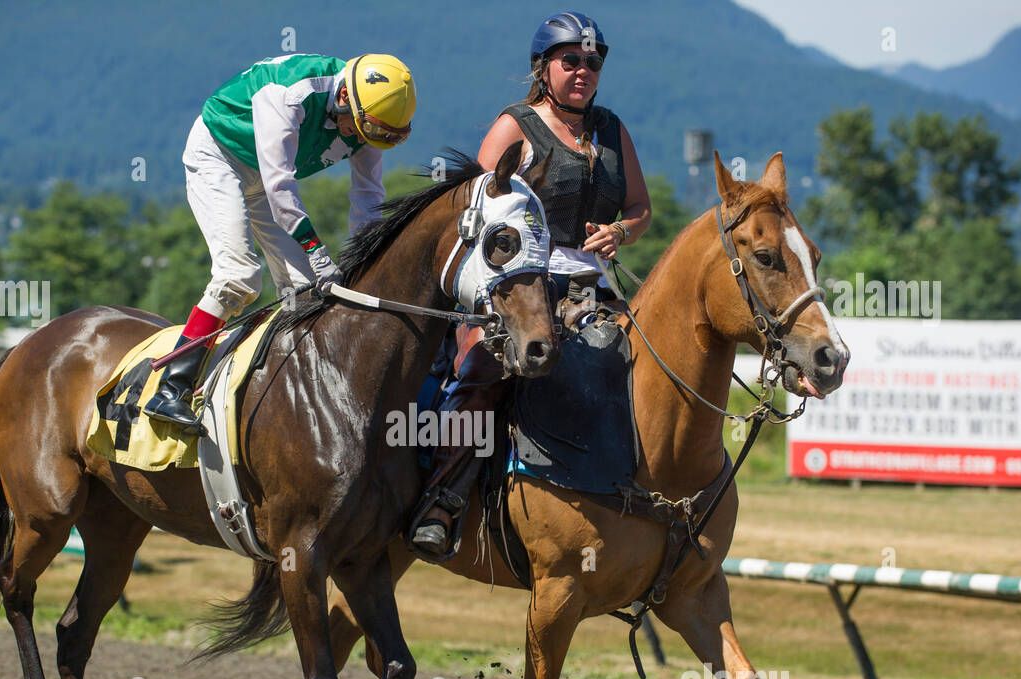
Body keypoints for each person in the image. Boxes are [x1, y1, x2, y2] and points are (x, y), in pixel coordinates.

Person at [411, 11, 651, 557]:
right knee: (488, 374)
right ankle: (442, 502)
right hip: (521, 289)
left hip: (594, 288)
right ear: (544, 68)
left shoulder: (612, 129)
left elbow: (640, 208)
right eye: (572, 60)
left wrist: (622, 231)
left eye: (593, 61)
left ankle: (645, 513)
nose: (583, 70)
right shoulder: (515, 126)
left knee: (647, 364)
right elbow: (473, 209)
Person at [145, 53, 417, 431]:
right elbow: (279, 187)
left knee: (307, 294)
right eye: (355, 129)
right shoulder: (290, 94)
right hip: (219, 158)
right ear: (342, 97)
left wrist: (369, 262)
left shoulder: (368, 118)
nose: (355, 139)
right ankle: (172, 386)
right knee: (239, 275)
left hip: (267, 177)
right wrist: (317, 253)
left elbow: (368, 200)